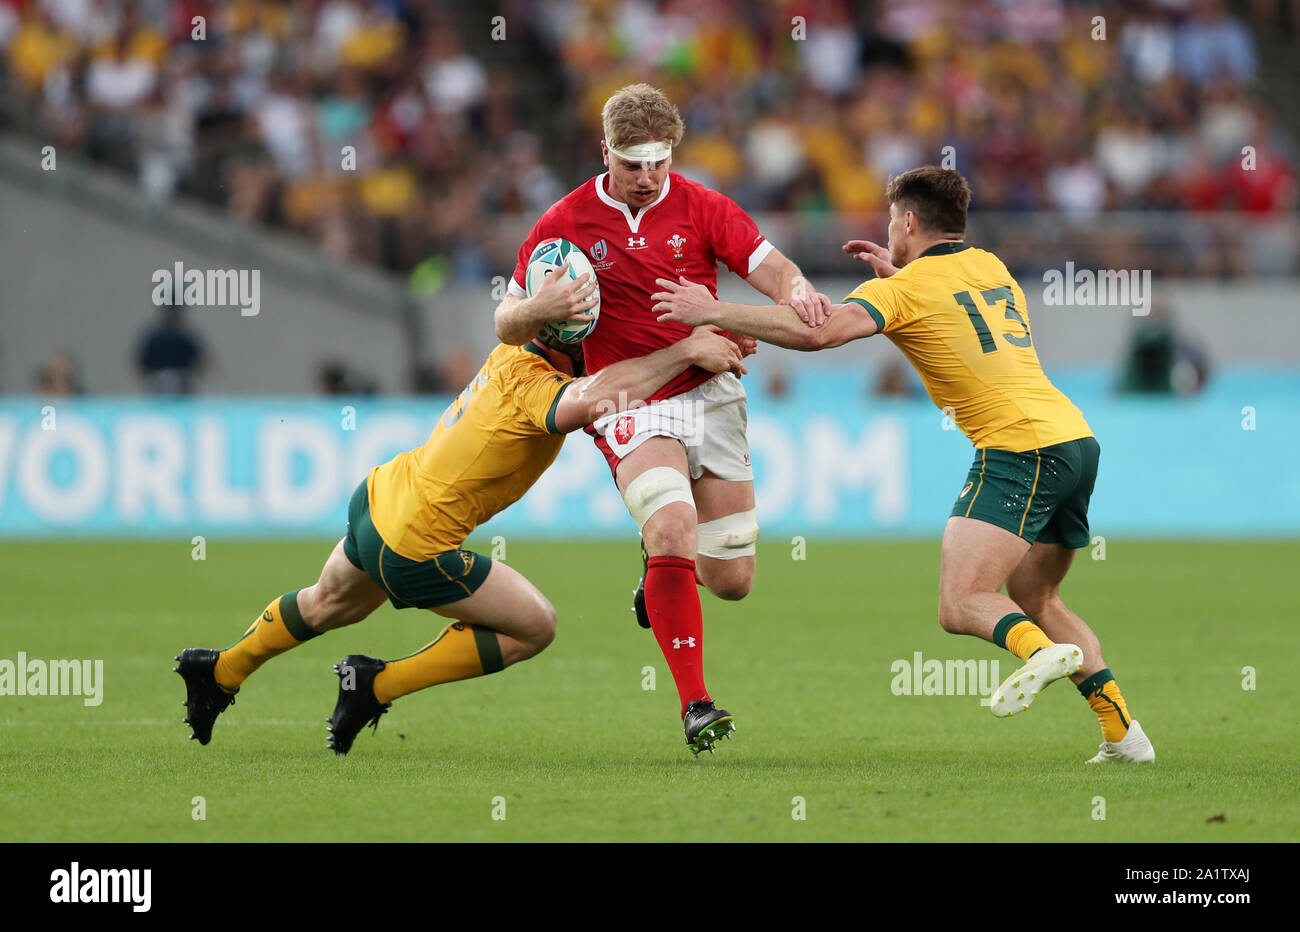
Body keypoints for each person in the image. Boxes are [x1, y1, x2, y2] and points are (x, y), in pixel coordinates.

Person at [653, 165, 1154, 764]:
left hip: (1018, 450)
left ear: (909, 222)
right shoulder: (989, 267)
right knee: (1037, 598)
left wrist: (712, 311)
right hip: (1075, 441)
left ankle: (1037, 653)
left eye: (892, 218)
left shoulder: (905, 292)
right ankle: (1124, 735)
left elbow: (819, 334)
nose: (888, 227)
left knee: (963, 601)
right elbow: (957, 317)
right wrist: (900, 279)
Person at [174, 302, 748, 756]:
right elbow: (593, 397)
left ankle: (220, 670)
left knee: (328, 604)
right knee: (535, 627)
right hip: (414, 547)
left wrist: (706, 342)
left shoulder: (510, 352)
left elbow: (605, 375)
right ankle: (376, 685)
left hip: (379, 498)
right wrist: (687, 350)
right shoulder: (538, 387)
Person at [492, 83, 825, 754]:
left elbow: (769, 266)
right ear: (605, 151)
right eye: (631, 164)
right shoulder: (564, 222)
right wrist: (543, 305)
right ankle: (695, 705)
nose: (646, 179)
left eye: (659, 163)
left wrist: (800, 290)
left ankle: (661, 576)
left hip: (711, 388)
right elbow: (505, 320)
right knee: (673, 525)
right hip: (626, 399)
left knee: (730, 580)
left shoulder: (702, 205)